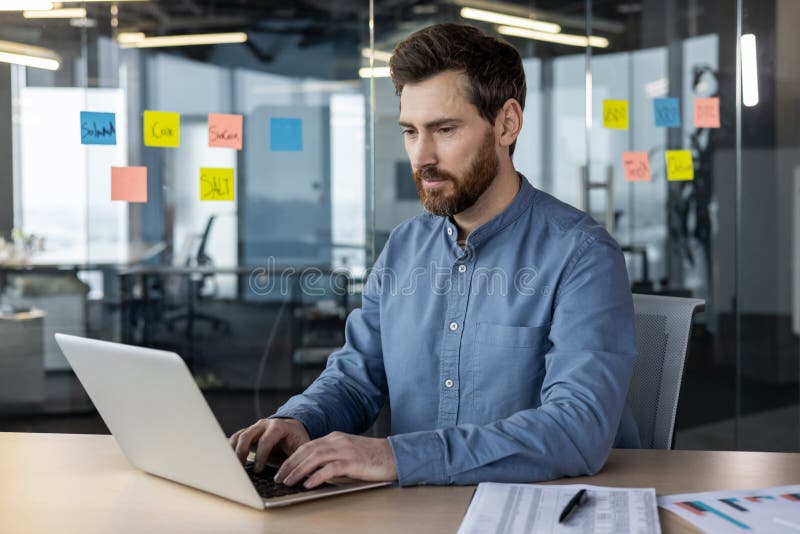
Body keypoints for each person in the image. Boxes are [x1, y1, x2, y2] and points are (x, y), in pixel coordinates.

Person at [230, 23, 639, 490]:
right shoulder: (404, 247)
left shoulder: (581, 254)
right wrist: (300, 421)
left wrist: (397, 456)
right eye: (410, 131)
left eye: (444, 130)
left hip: (537, 508)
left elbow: (577, 429)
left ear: (506, 124)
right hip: (414, 510)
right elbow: (357, 376)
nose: (422, 156)